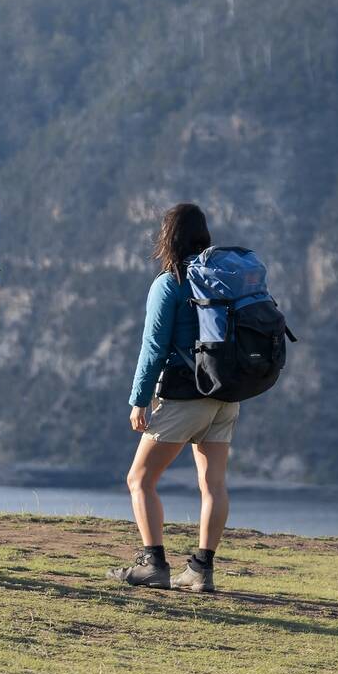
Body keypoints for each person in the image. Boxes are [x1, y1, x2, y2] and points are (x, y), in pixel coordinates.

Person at [110, 202, 234, 592]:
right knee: (213, 484)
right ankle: (201, 570)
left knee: (140, 479)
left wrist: (139, 399)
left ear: (168, 237)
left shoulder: (170, 283)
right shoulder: (223, 279)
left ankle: (153, 564)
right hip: (226, 393)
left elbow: (153, 349)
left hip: (185, 396)